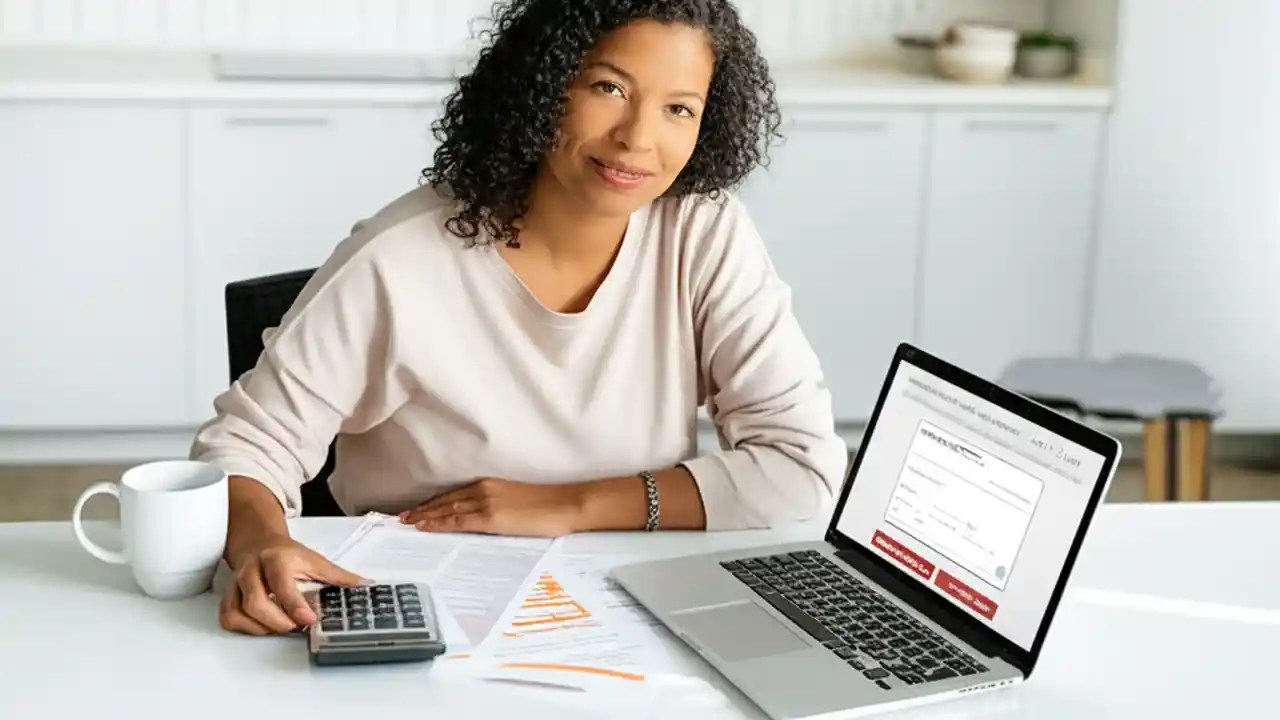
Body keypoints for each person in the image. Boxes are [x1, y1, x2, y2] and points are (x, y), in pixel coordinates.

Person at [193, 0, 848, 637]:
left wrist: (568, 505)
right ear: (542, 85)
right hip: (420, 596)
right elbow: (244, 448)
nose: (637, 138)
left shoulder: (703, 233)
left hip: (631, 600)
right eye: (609, 88)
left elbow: (802, 467)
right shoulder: (399, 257)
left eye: (679, 108)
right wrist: (259, 545)